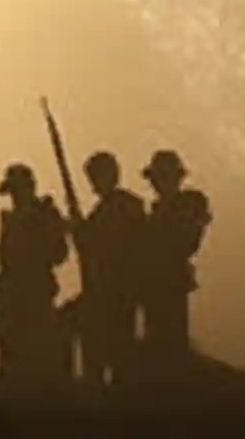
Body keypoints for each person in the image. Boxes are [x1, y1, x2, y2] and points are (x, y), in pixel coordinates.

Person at [0, 163, 70, 386]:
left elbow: (59, 254)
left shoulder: (45, 215)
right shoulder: (11, 219)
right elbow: (5, 263)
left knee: (36, 364)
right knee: (11, 363)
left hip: (36, 297)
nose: (14, 196)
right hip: (11, 296)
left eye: (17, 190)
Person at [74, 151, 146, 387]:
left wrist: (80, 231)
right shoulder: (114, 206)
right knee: (103, 349)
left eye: (95, 177)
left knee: (117, 352)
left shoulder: (124, 206)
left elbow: (105, 244)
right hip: (106, 290)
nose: (93, 184)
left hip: (117, 291)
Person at [141, 150, 211, 372]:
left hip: (171, 281)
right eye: (156, 178)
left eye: (163, 177)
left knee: (171, 338)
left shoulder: (185, 207)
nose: (157, 183)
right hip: (155, 283)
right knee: (158, 336)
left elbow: (185, 243)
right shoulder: (161, 210)